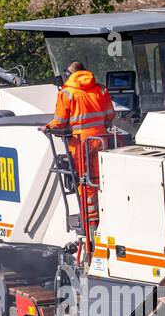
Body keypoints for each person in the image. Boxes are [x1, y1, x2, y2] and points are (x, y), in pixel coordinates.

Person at [45, 61, 117, 231]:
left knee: (85, 181)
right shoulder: (100, 89)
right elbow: (110, 115)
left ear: (70, 74)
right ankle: (105, 216)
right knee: (99, 179)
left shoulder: (67, 92)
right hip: (101, 140)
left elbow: (60, 122)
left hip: (80, 143)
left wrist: (47, 127)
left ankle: (90, 224)